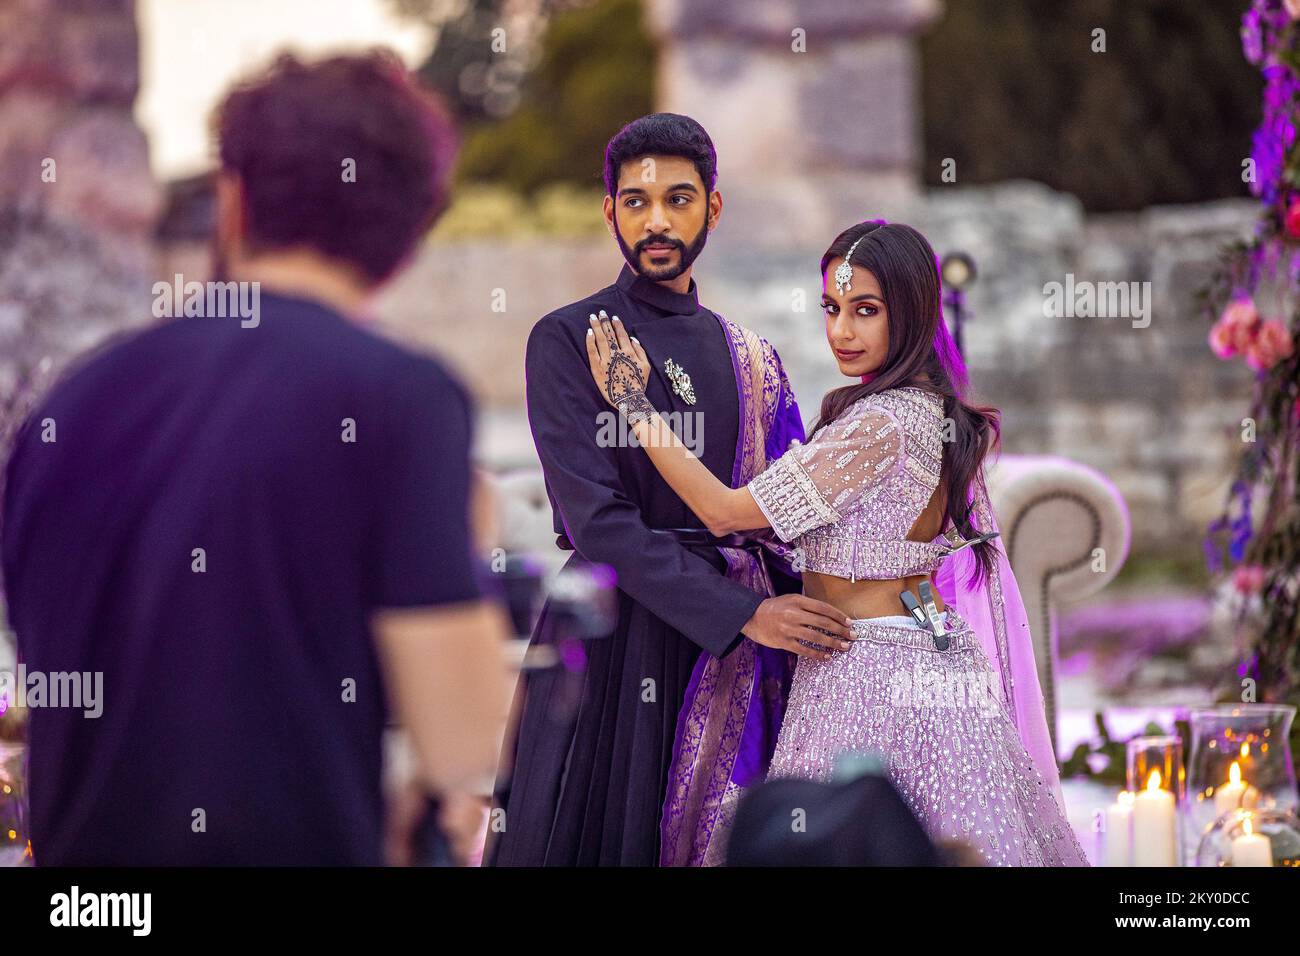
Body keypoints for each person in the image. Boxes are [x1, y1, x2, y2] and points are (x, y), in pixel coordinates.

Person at [0, 51, 511, 865]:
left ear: (234, 202)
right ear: (411, 234)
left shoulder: (70, 399)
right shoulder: (399, 396)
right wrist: (468, 549)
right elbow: (462, 740)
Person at [584, 220, 1090, 866]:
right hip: (905, 658)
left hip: (869, 675)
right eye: (832, 307)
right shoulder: (917, 408)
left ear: (911, 314)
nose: (842, 331)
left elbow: (722, 513)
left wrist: (635, 405)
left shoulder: (879, 425)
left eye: (866, 311)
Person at [484, 113, 851, 867]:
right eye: (636, 201)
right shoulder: (569, 337)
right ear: (610, 208)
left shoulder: (755, 357)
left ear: (712, 208)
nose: (657, 221)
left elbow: (791, 506)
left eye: (679, 199)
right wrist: (744, 613)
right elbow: (597, 524)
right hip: (619, 641)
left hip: (752, 651)